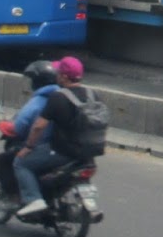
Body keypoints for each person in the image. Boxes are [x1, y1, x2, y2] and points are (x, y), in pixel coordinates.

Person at [14, 56, 102, 218]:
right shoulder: (92, 94)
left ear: (64, 77)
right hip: (88, 153)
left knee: (21, 163)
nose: (57, 75)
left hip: (62, 152)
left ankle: (34, 199)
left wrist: (28, 147)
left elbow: (38, 126)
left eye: (59, 72)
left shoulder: (58, 97)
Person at [0, 60, 64, 146]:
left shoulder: (38, 101)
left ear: (39, 81)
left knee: (15, 159)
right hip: (57, 146)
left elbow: (19, 127)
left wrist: (5, 126)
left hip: (39, 145)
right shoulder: (62, 97)